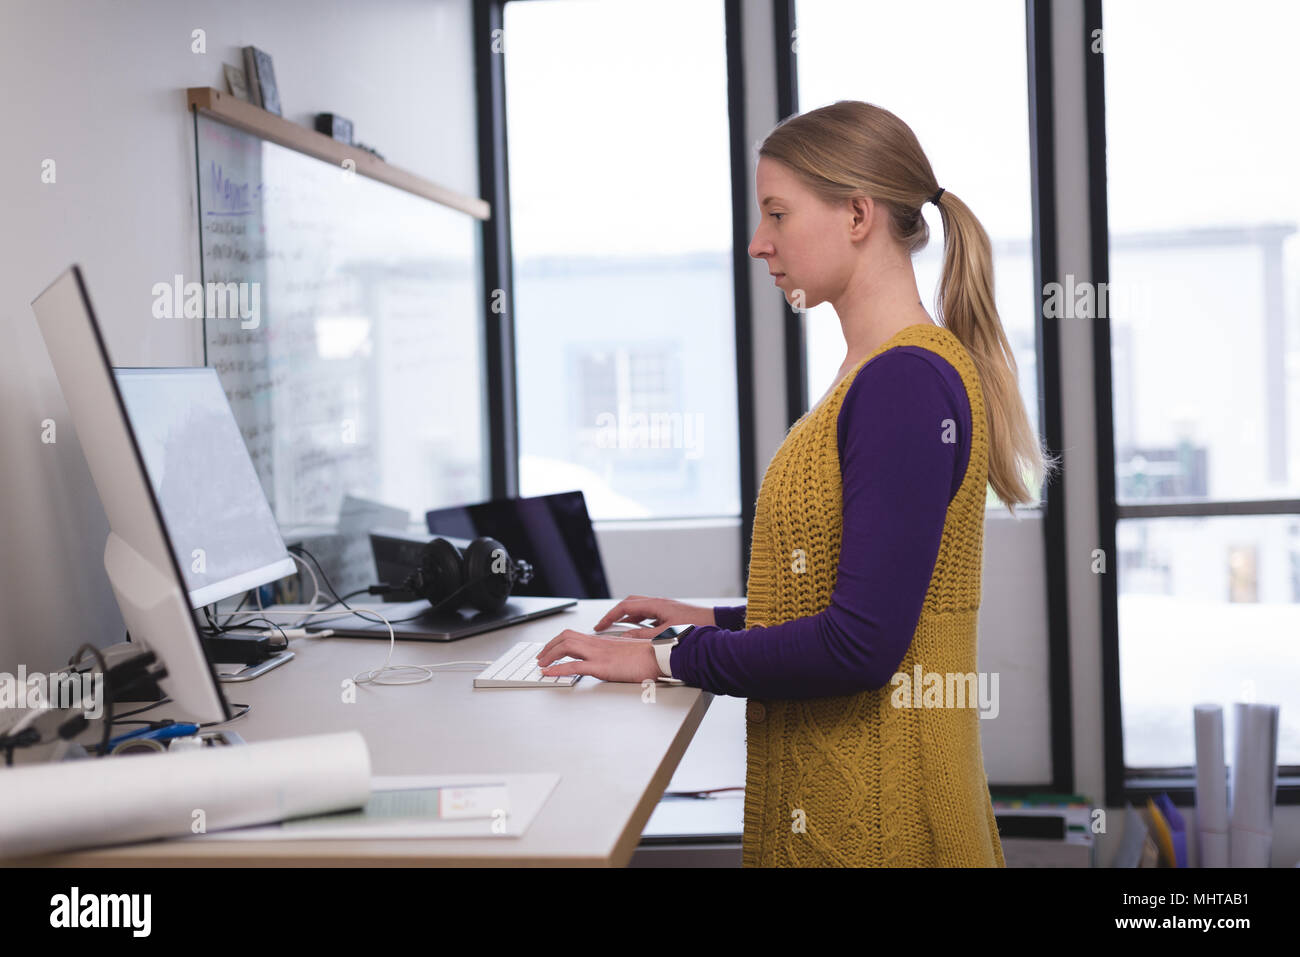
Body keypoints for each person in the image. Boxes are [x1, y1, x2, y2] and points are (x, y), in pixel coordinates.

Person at [536, 100, 1059, 867]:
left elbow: (859, 647)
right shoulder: (887, 373)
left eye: (777, 214)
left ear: (857, 214)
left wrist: (668, 656)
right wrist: (711, 616)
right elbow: (870, 600)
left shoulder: (903, 384)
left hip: (882, 834)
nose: (758, 243)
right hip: (864, 817)